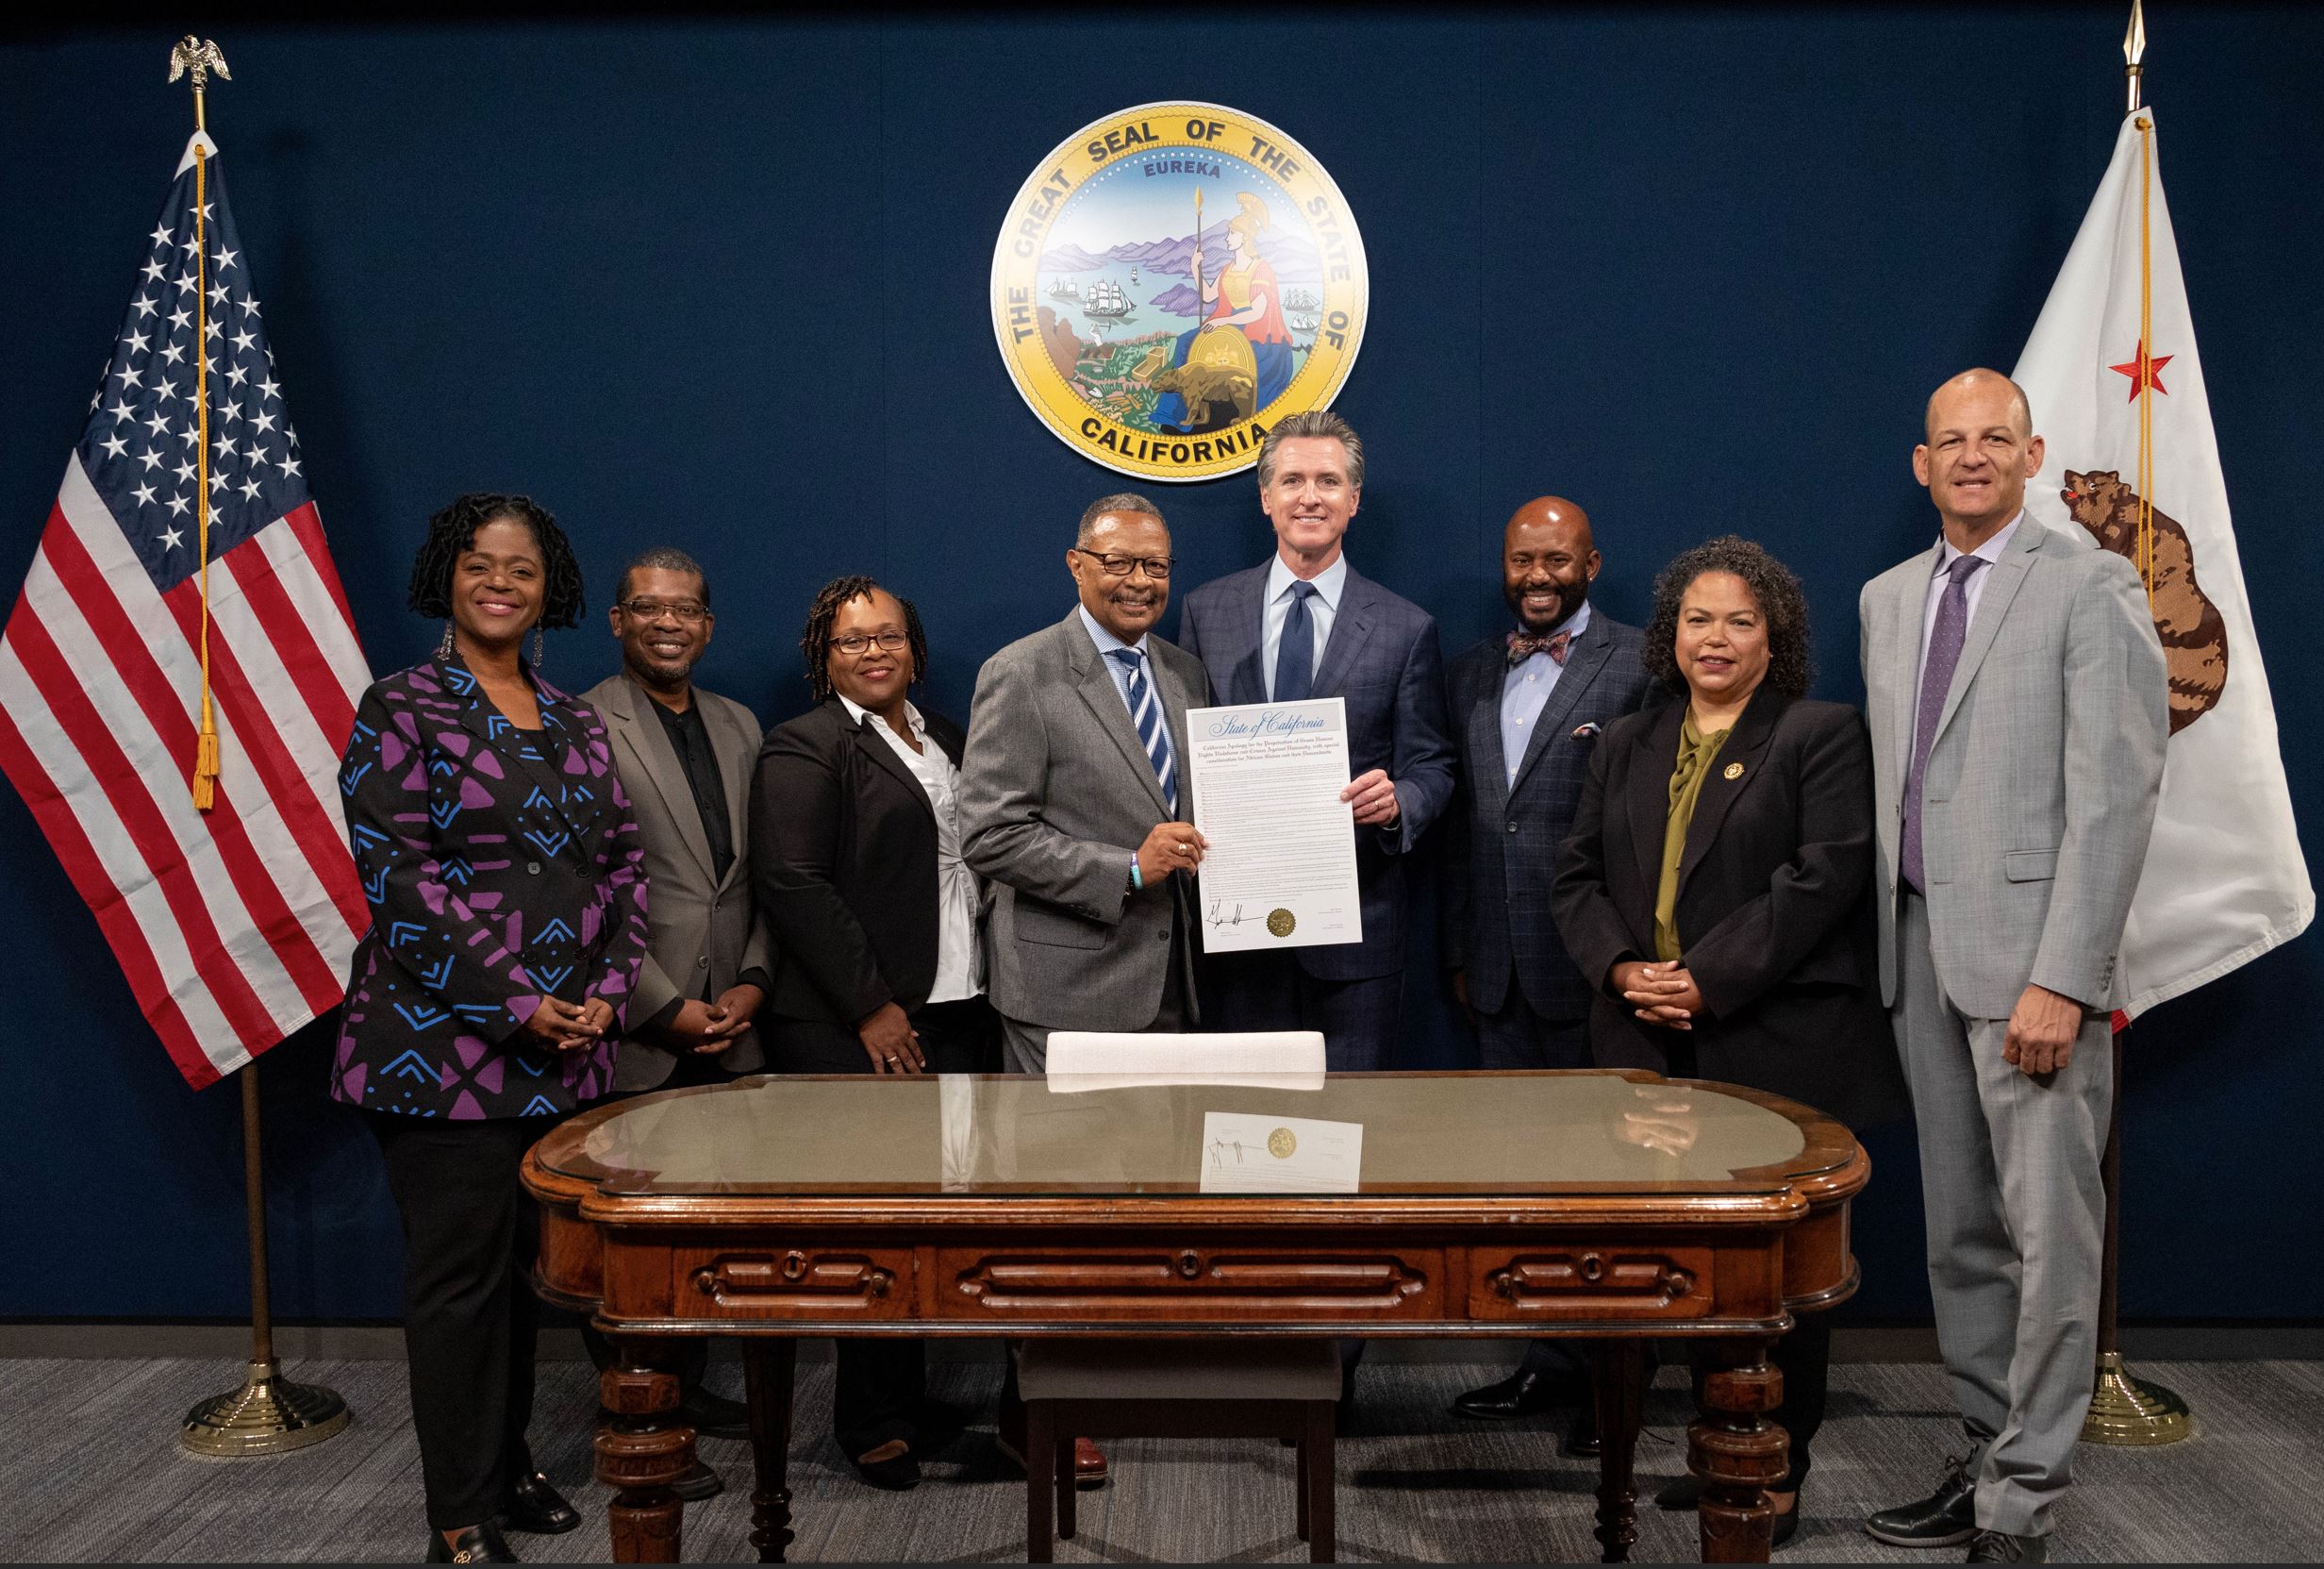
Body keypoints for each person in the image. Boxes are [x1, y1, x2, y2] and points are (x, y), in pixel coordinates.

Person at [1858, 371, 2166, 1564]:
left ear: (2033, 456)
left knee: (2050, 1236)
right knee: (1959, 1234)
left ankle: (2025, 1498)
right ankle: (1985, 1449)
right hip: (1920, 947)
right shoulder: (1891, 598)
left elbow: (2117, 791)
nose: (1973, 456)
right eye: (1951, 441)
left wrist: (2067, 975)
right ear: (1920, 464)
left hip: (2035, 964)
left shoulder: (2092, 584)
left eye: (1996, 438)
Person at [1553, 535, 1911, 1546]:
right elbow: (1573, 876)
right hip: (1639, 1038)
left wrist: (1705, 981)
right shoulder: (1625, 737)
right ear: (1670, 634)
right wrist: (1626, 972)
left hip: (1770, 1041)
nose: (1715, 638)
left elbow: (1823, 875)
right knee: (1664, 1266)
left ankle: (1774, 1473)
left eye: (1739, 621)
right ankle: (1715, 1446)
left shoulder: (1820, 732)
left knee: (1765, 1281)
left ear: (1775, 637)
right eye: (1697, 619)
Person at [331, 493, 648, 1564]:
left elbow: (622, 868)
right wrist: (516, 999)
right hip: (442, 1056)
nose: (500, 581)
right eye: (480, 564)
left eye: (521, 567)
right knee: (459, 1287)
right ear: (448, 577)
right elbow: (402, 882)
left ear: (548, 583)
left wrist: (609, 984)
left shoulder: (575, 719)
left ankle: (511, 1468)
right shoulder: (401, 707)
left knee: (533, 1277)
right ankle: (457, 1512)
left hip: (567, 1058)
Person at [958, 492, 1214, 1490]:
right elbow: (990, 830)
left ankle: (1106, 1384)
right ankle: (1038, 1412)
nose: (1140, 580)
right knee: (1057, 1212)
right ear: (1076, 564)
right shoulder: (1021, 672)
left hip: (1169, 983)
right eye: (1119, 563)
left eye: (1156, 565)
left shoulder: (1183, 673)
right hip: (1063, 989)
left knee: (1142, 1205)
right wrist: (1126, 867)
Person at [749, 574, 1002, 1490]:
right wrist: (869, 1002)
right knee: (873, 1225)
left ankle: (912, 1395)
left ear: (914, 646)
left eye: (888, 635)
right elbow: (792, 882)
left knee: (934, 1220)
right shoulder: (805, 745)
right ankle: (868, 1419)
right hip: (861, 1025)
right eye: (852, 640)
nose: (874, 651)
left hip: (961, 1008)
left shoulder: (948, 740)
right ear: (824, 656)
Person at [1439, 495, 1651, 1434]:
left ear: (1592, 564)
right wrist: (1456, 947)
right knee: (1524, 1183)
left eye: (1557, 560)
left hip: (1597, 967)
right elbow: (1465, 828)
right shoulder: (1471, 670)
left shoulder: (1643, 661)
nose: (1537, 576)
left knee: (1611, 1187)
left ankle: (1619, 1384)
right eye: (1522, 558)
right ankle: (1550, 1365)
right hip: (1493, 969)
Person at [1176, 409, 1455, 1072]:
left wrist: (1399, 801)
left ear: (1353, 501)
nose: (1310, 496)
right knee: (1241, 1134)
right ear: (1266, 496)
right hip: (1236, 933)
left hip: (1356, 934)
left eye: (1328, 481)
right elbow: (1184, 753)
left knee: (1345, 1138)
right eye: (1293, 479)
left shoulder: (1405, 626)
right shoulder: (1203, 610)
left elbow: (1432, 764)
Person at [579, 545, 773, 1497]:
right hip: (638, 1022)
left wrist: (752, 979)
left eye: (687, 610)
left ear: (707, 625)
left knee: (711, 1226)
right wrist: (662, 1004)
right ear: (617, 621)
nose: (669, 623)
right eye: (649, 609)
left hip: (734, 1018)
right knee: (637, 1238)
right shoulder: (579, 723)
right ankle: (638, 1414)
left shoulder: (741, 723)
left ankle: (690, 1388)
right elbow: (584, 892)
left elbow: (762, 874)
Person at [1152, 191, 1298, 433]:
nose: (1227, 237)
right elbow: (1208, 296)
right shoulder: (1227, 267)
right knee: (1185, 341)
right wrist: (1195, 269)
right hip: (1227, 323)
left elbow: (1258, 311)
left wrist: (1223, 322)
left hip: (1254, 328)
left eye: (1232, 233)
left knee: (1252, 362)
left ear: (1245, 237)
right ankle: (1173, 414)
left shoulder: (1261, 269)